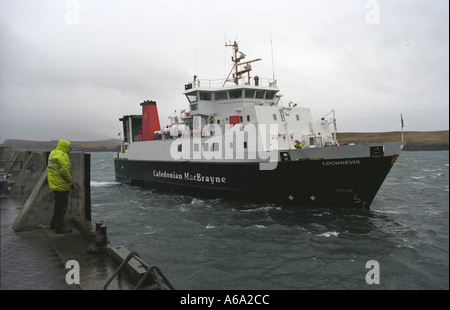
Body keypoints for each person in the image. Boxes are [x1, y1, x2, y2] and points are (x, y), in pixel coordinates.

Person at [47, 139, 73, 234]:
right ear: (65, 146)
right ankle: (60, 227)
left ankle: (53, 223)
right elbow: (64, 170)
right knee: (62, 207)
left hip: (54, 183)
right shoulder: (62, 155)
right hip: (61, 184)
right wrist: (69, 179)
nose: (70, 149)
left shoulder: (53, 153)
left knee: (57, 205)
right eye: (68, 147)